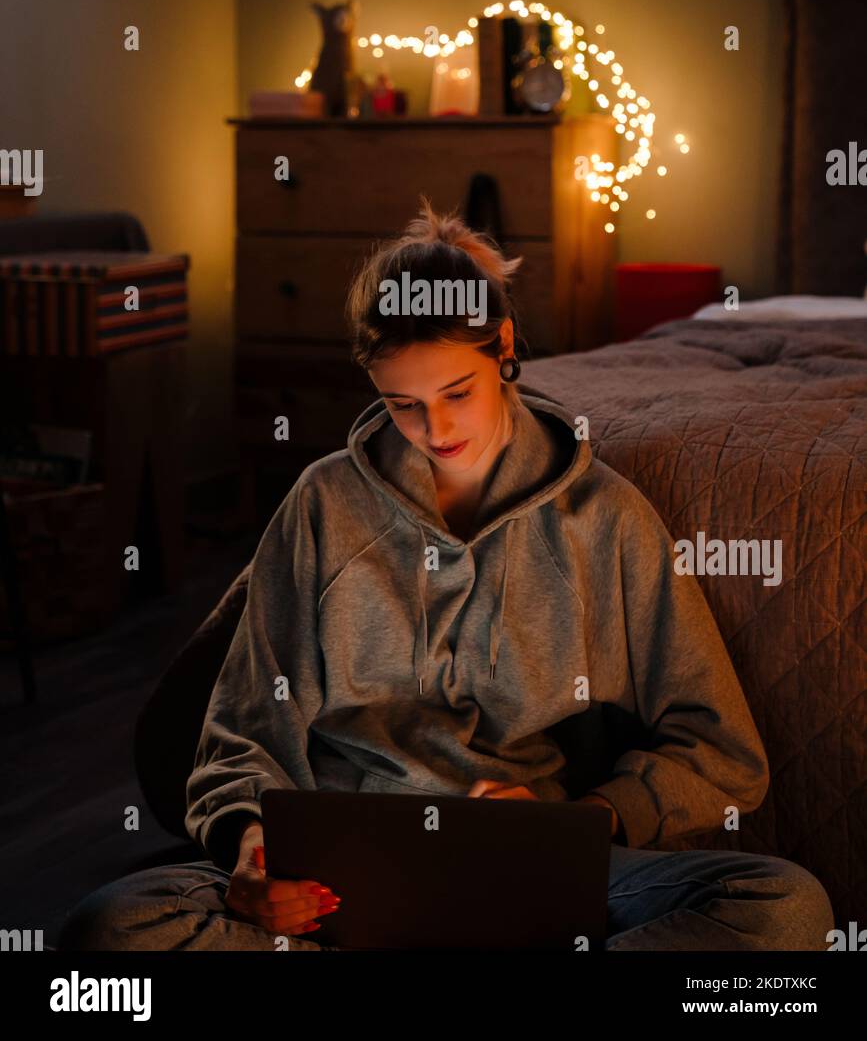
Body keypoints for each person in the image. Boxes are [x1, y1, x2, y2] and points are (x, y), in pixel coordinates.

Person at [58, 198, 834, 952]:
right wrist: (252, 853)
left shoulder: (605, 517)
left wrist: (591, 816)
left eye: (456, 393)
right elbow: (244, 731)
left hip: (535, 868)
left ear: (502, 347)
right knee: (113, 926)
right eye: (402, 404)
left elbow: (721, 748)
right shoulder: (323, 502)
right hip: (337, 879)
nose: (435, 430)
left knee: (783, 908)